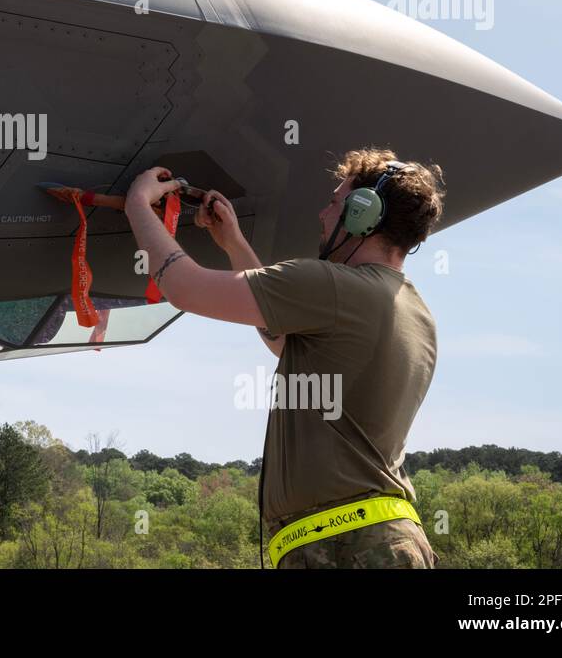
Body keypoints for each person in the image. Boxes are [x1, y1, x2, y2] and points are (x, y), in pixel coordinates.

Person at [124, 148, 446, 568]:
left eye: (334, 203)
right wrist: (234, 244)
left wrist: (137, 206)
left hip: (347, 545)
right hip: (372, 540)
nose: (322, 214)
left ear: (362, 215)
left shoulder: (332, 285)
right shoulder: (411, 307)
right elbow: (286, 343)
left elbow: (185, 288)